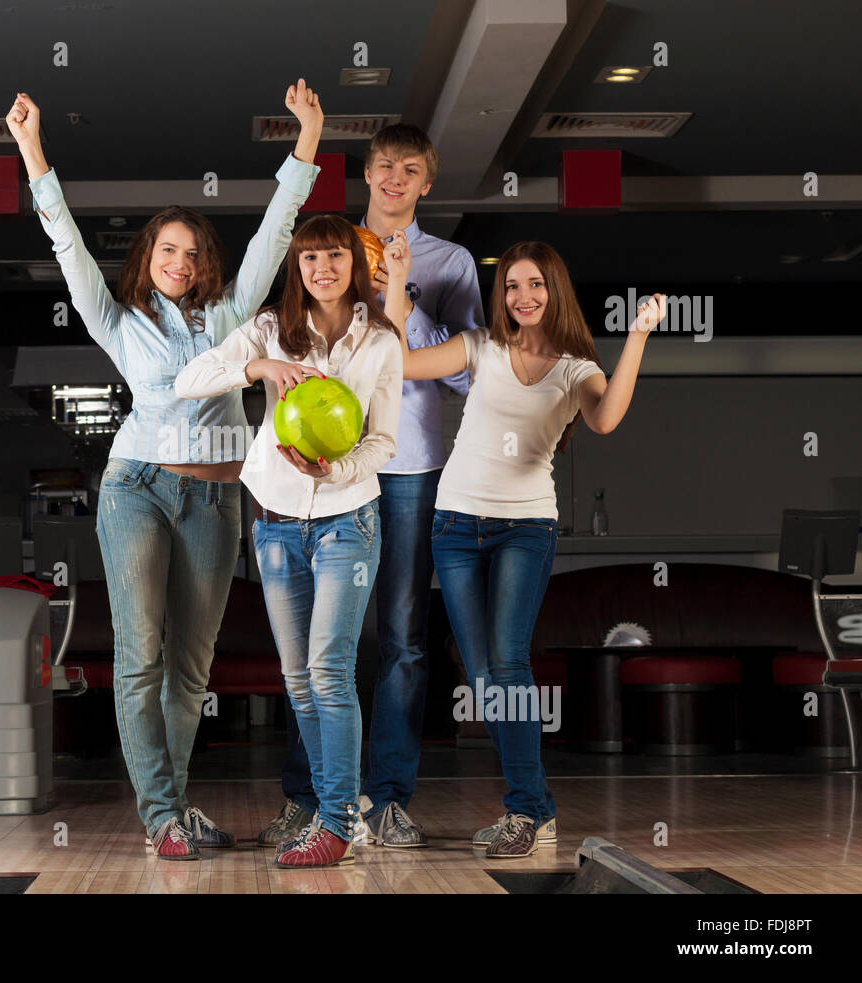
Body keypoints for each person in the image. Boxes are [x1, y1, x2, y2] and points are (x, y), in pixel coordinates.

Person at [4, 82, 323, 860]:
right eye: (166, 249)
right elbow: (67, 246)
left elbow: (276, 234)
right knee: (140, 651)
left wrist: (306, 141)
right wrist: (32, 151)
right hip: (137, 490)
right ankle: (160, 817)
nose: (180, 261)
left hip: (214, 501)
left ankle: (174, 812)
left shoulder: (232, 315)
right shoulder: (117, 321)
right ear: (148, 257)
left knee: (191, 665)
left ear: (204, 262)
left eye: (191, 251)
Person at [382, 234, 666, 858]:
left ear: (554, 290)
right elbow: (398, 362)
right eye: (512, 285)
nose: (523, 295)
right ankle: (535, 814)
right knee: (484, 675)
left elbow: (607, 418)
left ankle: (527, 809)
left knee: (508, 664)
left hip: (524, 528)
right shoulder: (480, 347)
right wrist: (397, 287)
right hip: (454, 525)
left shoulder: (575, 368)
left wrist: (639, 336)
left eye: (535, 284)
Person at [259, 124, 482, 850]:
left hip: (407, 468)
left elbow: (466, 372)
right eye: (384, 166)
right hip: (320, 475)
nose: (395, 178)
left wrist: (403, 299)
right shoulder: (326, 250)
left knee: (403, 640)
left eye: (410, 169)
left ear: (426, 183)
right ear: (366, 175)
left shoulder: (449, 263)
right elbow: (286, 338)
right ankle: (311, 796)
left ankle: (385, 798)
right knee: (319, 652)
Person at [175, 215, 404, 867]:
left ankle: (334, 822)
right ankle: (342, 811)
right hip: (275, 521)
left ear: (352, 265)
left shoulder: (382, 343)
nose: (322, 268)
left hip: (348, 521)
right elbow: (189, 380)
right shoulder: (272, 327)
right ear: (296, 268)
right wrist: (260, 364)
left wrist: (336, 468)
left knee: (330, 671)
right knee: (299, 679)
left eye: (334, 255)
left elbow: (383, 441)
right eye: (309, 258)